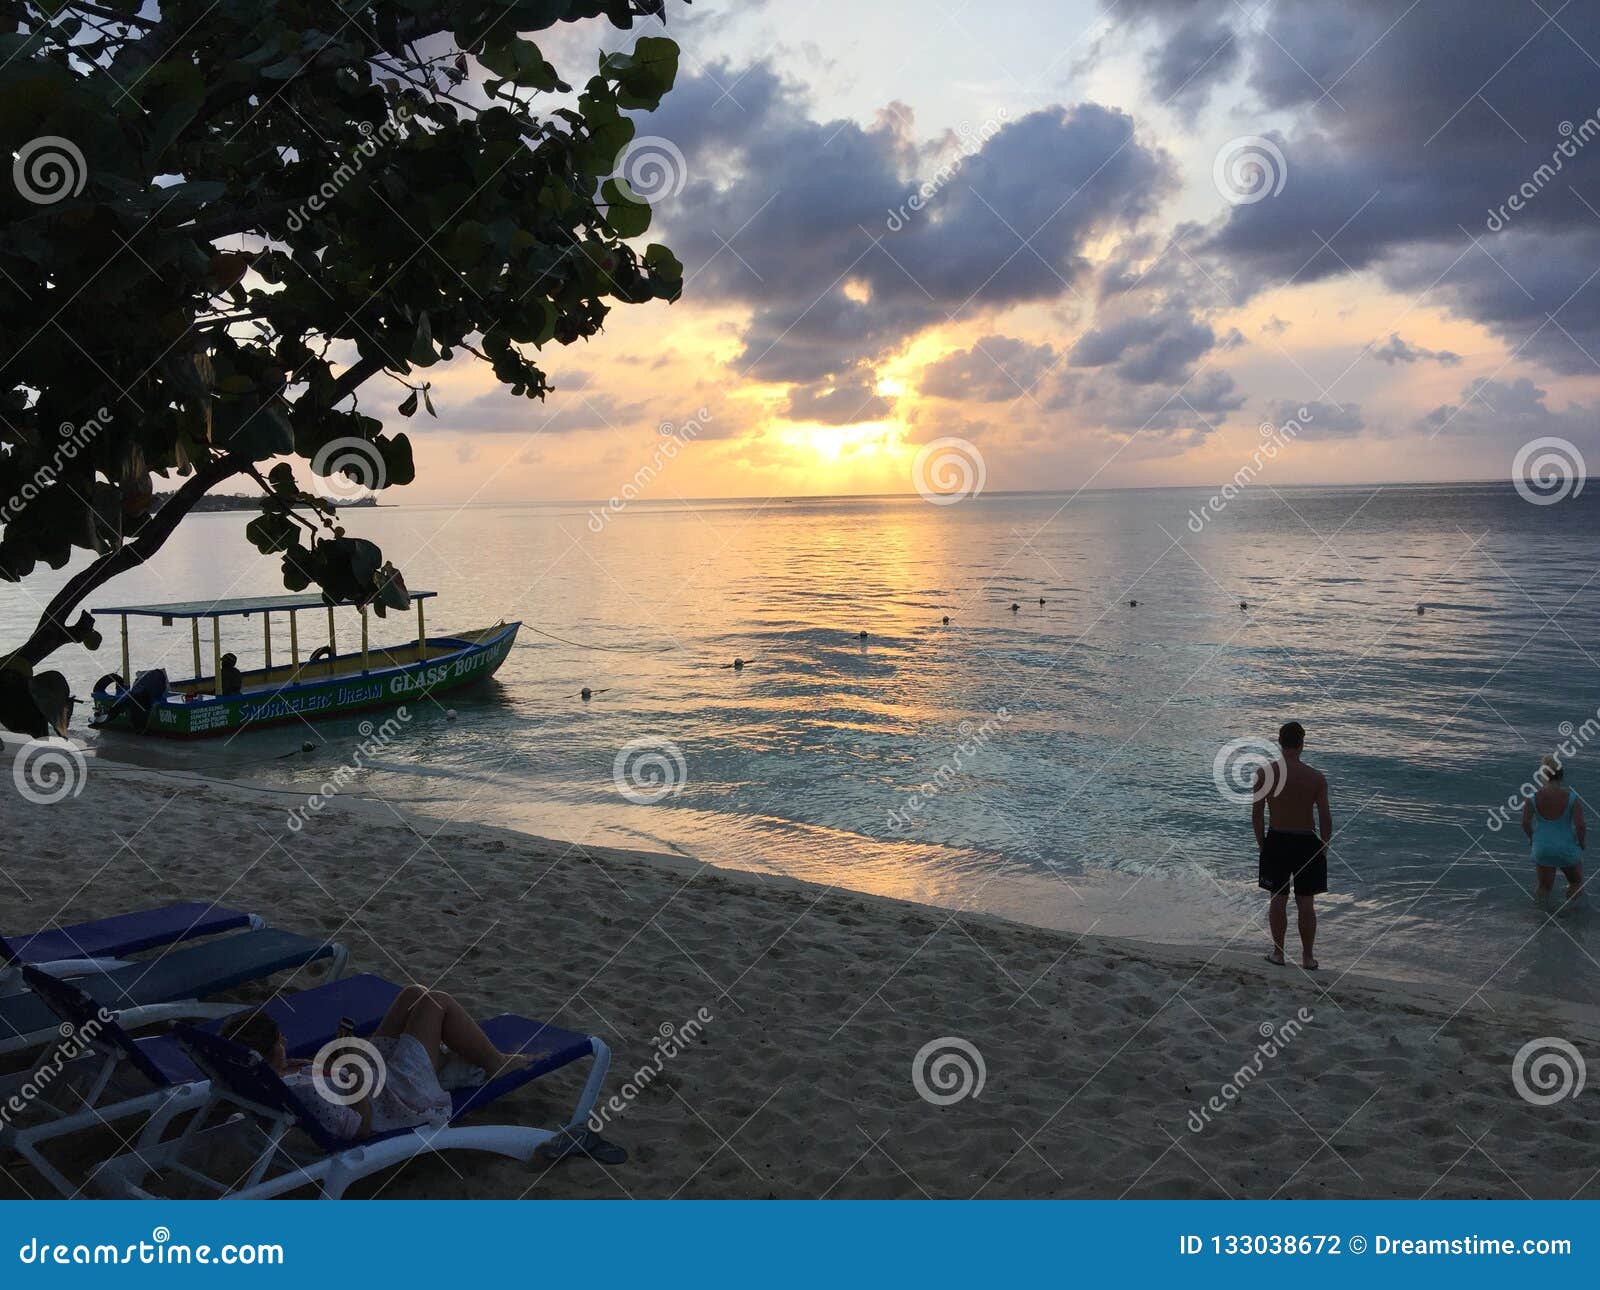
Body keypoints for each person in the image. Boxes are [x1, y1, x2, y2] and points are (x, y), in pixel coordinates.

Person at [219, 986, 534, 1140]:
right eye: (280, 1042)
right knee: (436, 1001)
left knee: (413, 993)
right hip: (397, 1094)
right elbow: (360, 1128)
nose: (286, 1042)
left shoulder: (264, 1076)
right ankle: (495, 1063)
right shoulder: (303, 1094)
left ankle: (439, 1056)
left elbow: (328, 1080)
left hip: (371, 1077)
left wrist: (338, 1058)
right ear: (269, 1052)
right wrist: (354, 1072)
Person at [1252, 720, 1332, 970]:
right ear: (1302, 744)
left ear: (1280, 742)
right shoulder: (1315, 778)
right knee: (1306, 901)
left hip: (1277, 838)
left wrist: (1262, 843)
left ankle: (1279, 954)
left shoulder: (1265, 774)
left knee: (1278, 898)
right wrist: (1325, 845)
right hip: (1307, 840)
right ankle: (1308, 958)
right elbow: (1325, 817)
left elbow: (1257, 813)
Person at [1521, 755, 1585, 907]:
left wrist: (1531, 838)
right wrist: (1581, 842)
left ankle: (1540, 917)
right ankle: (1572, 916)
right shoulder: (1572, 798)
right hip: (1566, 847)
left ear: (1543, 776)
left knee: (1544, 887)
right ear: (1561, 776)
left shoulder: (1532, 798)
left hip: (1543, 847)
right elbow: (1581, 826)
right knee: (1576, 883)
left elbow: (1525, 822)